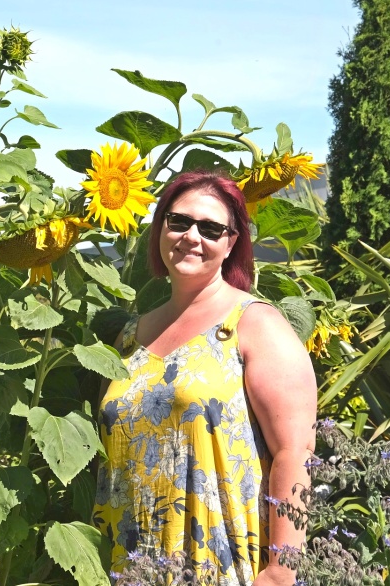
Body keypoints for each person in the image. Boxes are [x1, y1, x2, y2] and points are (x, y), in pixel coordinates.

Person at [93, 170, 317, 585]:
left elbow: (297, 450)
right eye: (179, 221)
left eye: (211, 228)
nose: (192, 236)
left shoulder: (254, 324)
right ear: (160, 227)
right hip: (133, 567)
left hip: (223, 567)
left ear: (231, 243)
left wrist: (282, 572)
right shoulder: (130, 335)